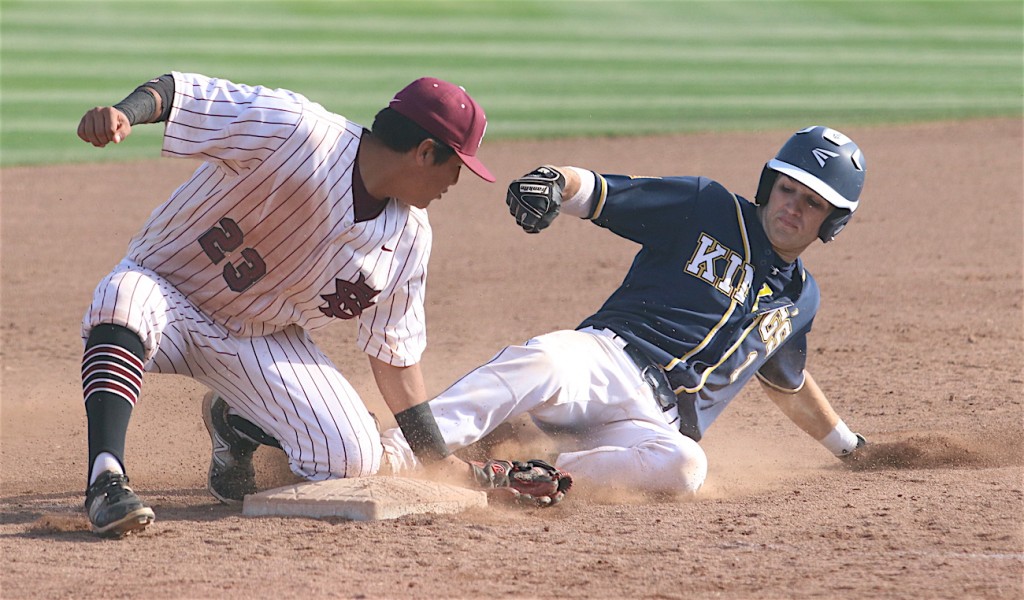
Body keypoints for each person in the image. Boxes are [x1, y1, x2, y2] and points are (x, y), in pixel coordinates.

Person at [76, 72, 495, 538]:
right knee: (121, 297)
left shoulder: (410, 238)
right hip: (164, 294)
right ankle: (106, 480)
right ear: (425, 152)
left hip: (260, 340)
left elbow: (395, 360)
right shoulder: (298, 130)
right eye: (457, 164)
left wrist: (440, 460)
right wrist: (124, 113)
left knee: (350, 456)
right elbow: (185, 95)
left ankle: (236, 422)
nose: (457, 180)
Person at [381, 125, 870, 495]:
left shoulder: (801, 299)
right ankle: (400, 451)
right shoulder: (708, 206)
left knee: (686, 467)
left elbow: (789, 382)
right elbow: (600, 193)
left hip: (654, 425)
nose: (792, 207)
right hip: (606, 360)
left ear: (833, 222)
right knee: (543, 360)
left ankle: (523, 470)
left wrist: (849, 448)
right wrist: (554, 182)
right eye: (787, 189)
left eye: (812, 203)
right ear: (769, 184)